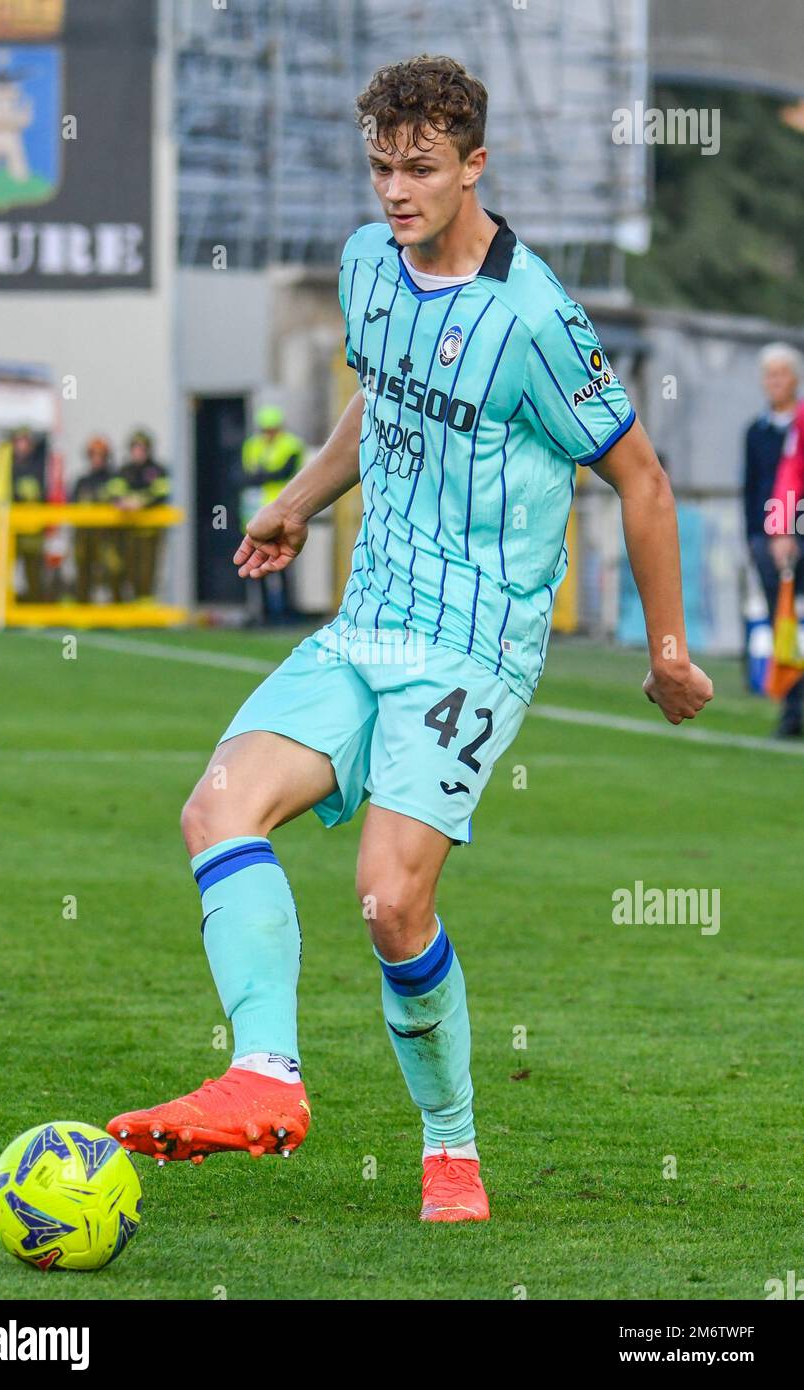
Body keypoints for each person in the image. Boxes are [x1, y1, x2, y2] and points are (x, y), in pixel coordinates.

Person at [108, 55, 712, 1222]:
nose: (395, 190)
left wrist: (667, 650)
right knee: (215, 807)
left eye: (420, 169)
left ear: (473, 164)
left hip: (471, 646)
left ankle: (449, 1146)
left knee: (390, 902)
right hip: (366, 620)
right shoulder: (364, 264)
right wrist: (299, 496)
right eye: (381, 166)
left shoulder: (537, 318)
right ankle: (265, 1077)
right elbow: (378, 398)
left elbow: (640, 479)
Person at [744, 344, 804, 736]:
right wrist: (772, 532)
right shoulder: (761, 432)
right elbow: (783, 480)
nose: (775, 382)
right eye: (770, 375)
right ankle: (792, 709)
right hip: (777, 543)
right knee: (786, 625)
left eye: (781, 374)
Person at [239, 406, 306, 623]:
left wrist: (264, 475)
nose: (268, 434)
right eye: (265, 430)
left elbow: (285, 472)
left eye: (272, 430)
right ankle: (262, 612)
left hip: (284, 512)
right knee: (256, 563)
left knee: (283, 563)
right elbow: (247, 475)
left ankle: (285, 610)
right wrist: (266, 475)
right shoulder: (252, 445)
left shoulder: (291, 444)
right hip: (256, 512)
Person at [0, 426, 44, 602]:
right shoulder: (5, 462)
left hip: (32, 530)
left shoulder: (39, 465)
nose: (22, 446)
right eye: (19, 441)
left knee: (33, 574)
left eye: (25, 441)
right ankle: (1, 609)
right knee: (3, 571)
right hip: (8, 529)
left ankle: (32, 610)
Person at [114, 430, 171, 601]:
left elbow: (161, 494)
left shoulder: (158, 470)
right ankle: (131, 610)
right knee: (127, 570)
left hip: (150, 533)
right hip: (128, 531)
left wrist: (141, 503)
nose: (138, 452)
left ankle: (145, 607)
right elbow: (115, 493)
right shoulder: (125, 470)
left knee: (147, 571)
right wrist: (124, 502)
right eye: (135, 448)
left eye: (142, 448)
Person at [71, 436, 124, 604]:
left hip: (108, 537)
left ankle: (117, 609)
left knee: (113, 572)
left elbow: (120, 500)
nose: (96, 459)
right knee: (83, 573)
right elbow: (72, 507)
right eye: (93, 455)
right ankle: (82, 609)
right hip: (84, 536)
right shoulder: (82, 481)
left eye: (100, 455)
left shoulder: (114, 480)